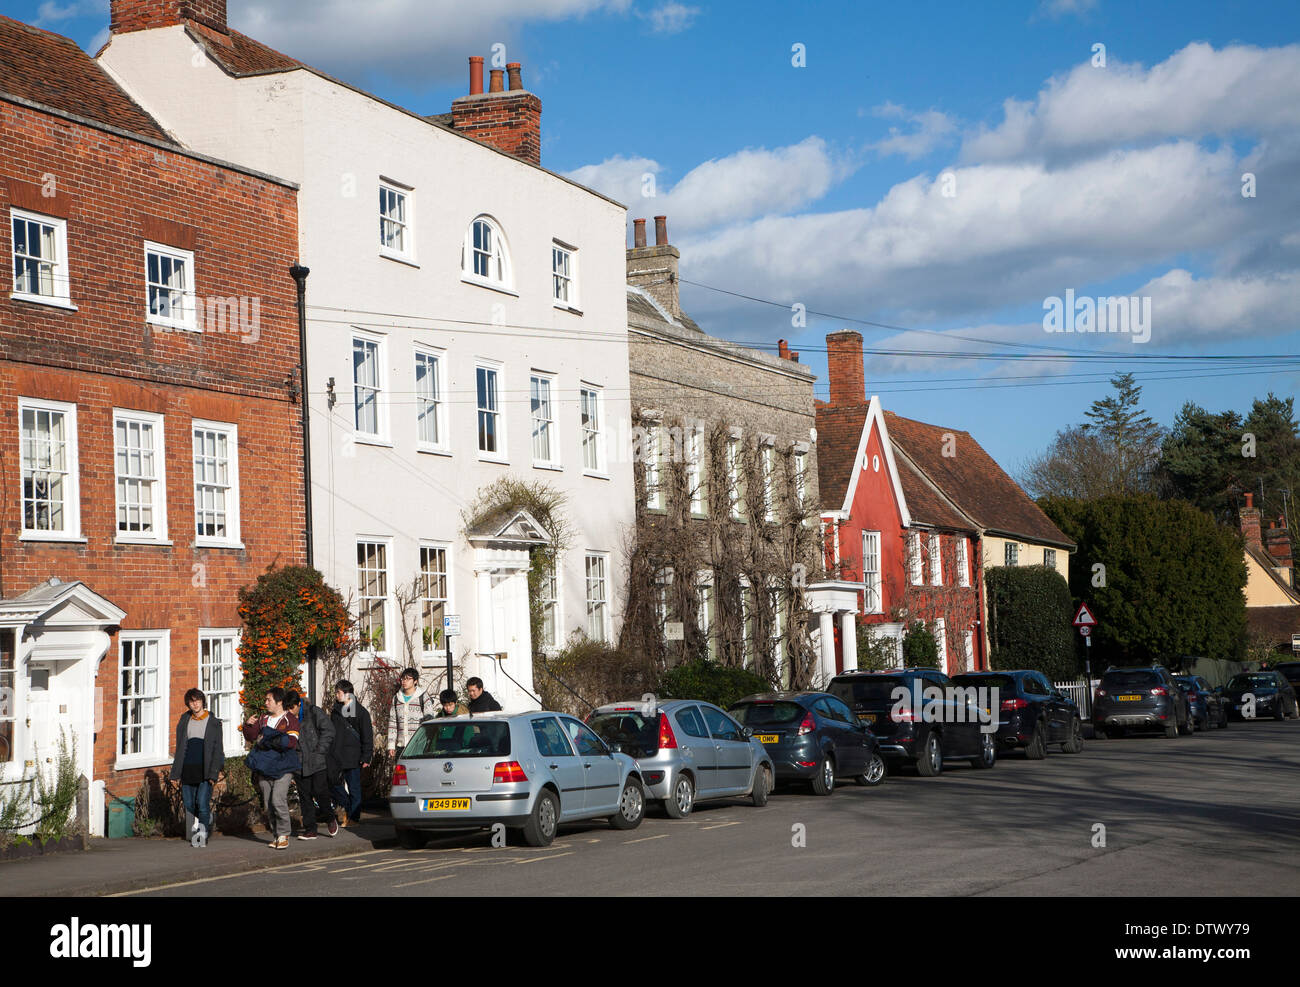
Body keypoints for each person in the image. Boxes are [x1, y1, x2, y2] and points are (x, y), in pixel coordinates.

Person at [243, 688, 300, 849]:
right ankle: (277, 835)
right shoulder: (263, 719)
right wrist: (248, 725)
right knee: (269, 804)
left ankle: (284, 834)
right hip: (265, 767)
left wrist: (267, 740)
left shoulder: (290, 719)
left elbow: (290, 742)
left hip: (284, 767)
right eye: (266, 699)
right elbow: (252, 737)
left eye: (269, 700)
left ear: (279, 702)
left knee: (278, 799)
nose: (266, 703)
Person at [170, 688, 224, 847]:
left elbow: (218, 750)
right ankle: (207, 818)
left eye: (198, 700)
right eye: (192, 702)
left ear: (202, 701)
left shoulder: (214, 723)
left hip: (205, 770)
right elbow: (180, 748)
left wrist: (214, 773)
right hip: (187, 769)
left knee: (202, 803)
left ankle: (202, 836)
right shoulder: (184, 720)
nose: (195, 704)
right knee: (189, 804)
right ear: (188, 704)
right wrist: (175, 773)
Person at [285, 689, 337, 840]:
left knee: (320, 792)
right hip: (298, 762)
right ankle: (310, 829)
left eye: (291, 708)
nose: (289, 711)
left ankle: (330, 817)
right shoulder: (286, 719)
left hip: (316, 760)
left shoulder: (314, 712)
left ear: (298, 704)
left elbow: (329, 730)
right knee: (305, 796)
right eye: (287, 708)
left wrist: (320, 750)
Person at [328, 679, 373, 827]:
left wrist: (366, 756)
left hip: (353, 756)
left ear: (347, 693)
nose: (336, 695)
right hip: (336, 754)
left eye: (338, 692)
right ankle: (348, 806)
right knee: (331, 781)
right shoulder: (335, 711)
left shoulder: (361, 712)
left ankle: (354, 818)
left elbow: (367, 736)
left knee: (354, 788)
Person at [387, 668, 436, 757]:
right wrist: (391, 745)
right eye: (403, 679)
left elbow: (429, 720)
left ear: (415, 681)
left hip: (419, 745)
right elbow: (393, 722)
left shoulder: (423, 696)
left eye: (408, 679)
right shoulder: (397, 698)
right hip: (401, 746)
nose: (404, 681)